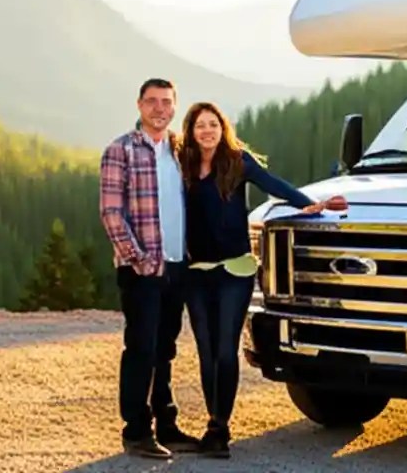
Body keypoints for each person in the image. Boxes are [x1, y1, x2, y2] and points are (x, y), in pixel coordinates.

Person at [177, 101, 346, 458]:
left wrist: (309, 203)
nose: (207, 131)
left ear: (223, 128)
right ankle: (213, 422)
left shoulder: (238, 162)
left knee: (225, 349)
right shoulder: (184, 167)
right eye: (200, 126)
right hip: (197, 274)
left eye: (213, 124)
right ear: (191, 132)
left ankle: (220, 429)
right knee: (206, 353)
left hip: (235, 270)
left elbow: (275, 184)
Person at [100, 78, 201, 459]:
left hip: (177, 267)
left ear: (174, 108)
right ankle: (136, 431)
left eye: (166, 102)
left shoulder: (179, 152)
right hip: (142, 270)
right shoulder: (120, 150)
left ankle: (168, 426)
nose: (159, 108)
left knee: (165, 350)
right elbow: (111, 212)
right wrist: (139, 259)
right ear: (139, 105)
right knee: (141, 349)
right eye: (152, 101)